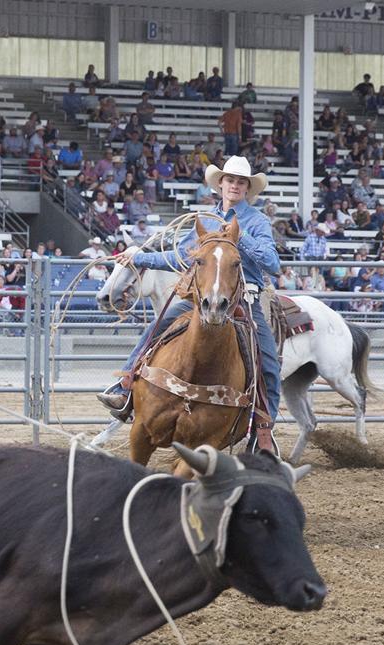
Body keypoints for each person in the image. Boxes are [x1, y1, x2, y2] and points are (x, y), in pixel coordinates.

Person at [97, 155, 282, 455]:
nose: (234, 185)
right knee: (157, 328)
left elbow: (272, 263)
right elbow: (178, 256)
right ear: (220, 184)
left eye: (240, 182)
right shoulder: (204, 220)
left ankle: (262, 432)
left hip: (243, 299)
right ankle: (124, 388)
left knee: (269, 365)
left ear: (247, 188)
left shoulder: (257, 222)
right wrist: (138, 258)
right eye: (230, 180)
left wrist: (238, 234)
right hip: (201, 297)